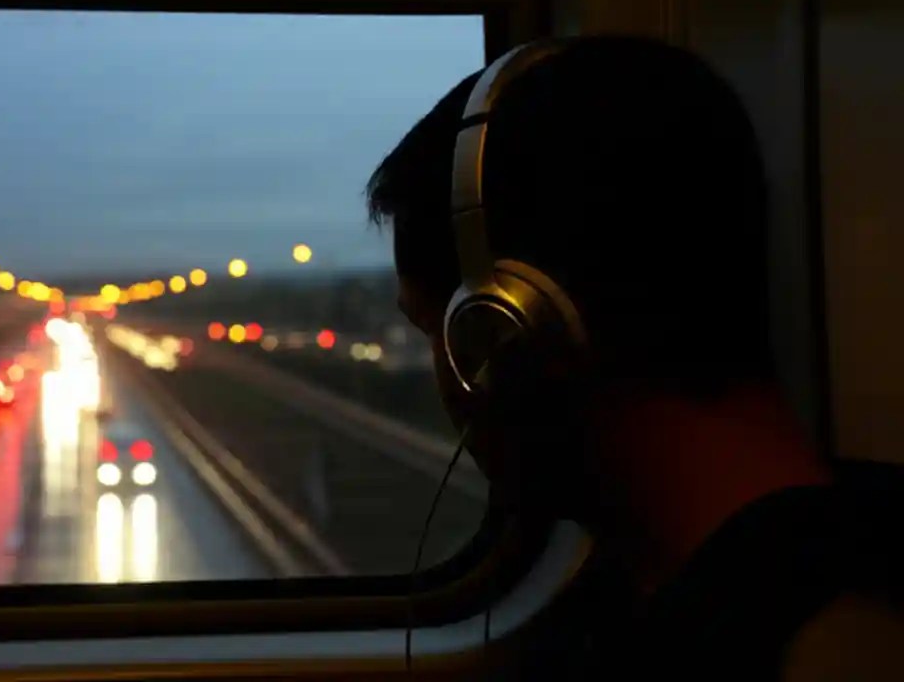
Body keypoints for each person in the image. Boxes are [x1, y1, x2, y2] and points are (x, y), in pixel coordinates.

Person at [366, 36, 904, 679]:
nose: (455, 378)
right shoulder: (796, 576)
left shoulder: (813, 649)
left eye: (442, 333)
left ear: (513, 328)